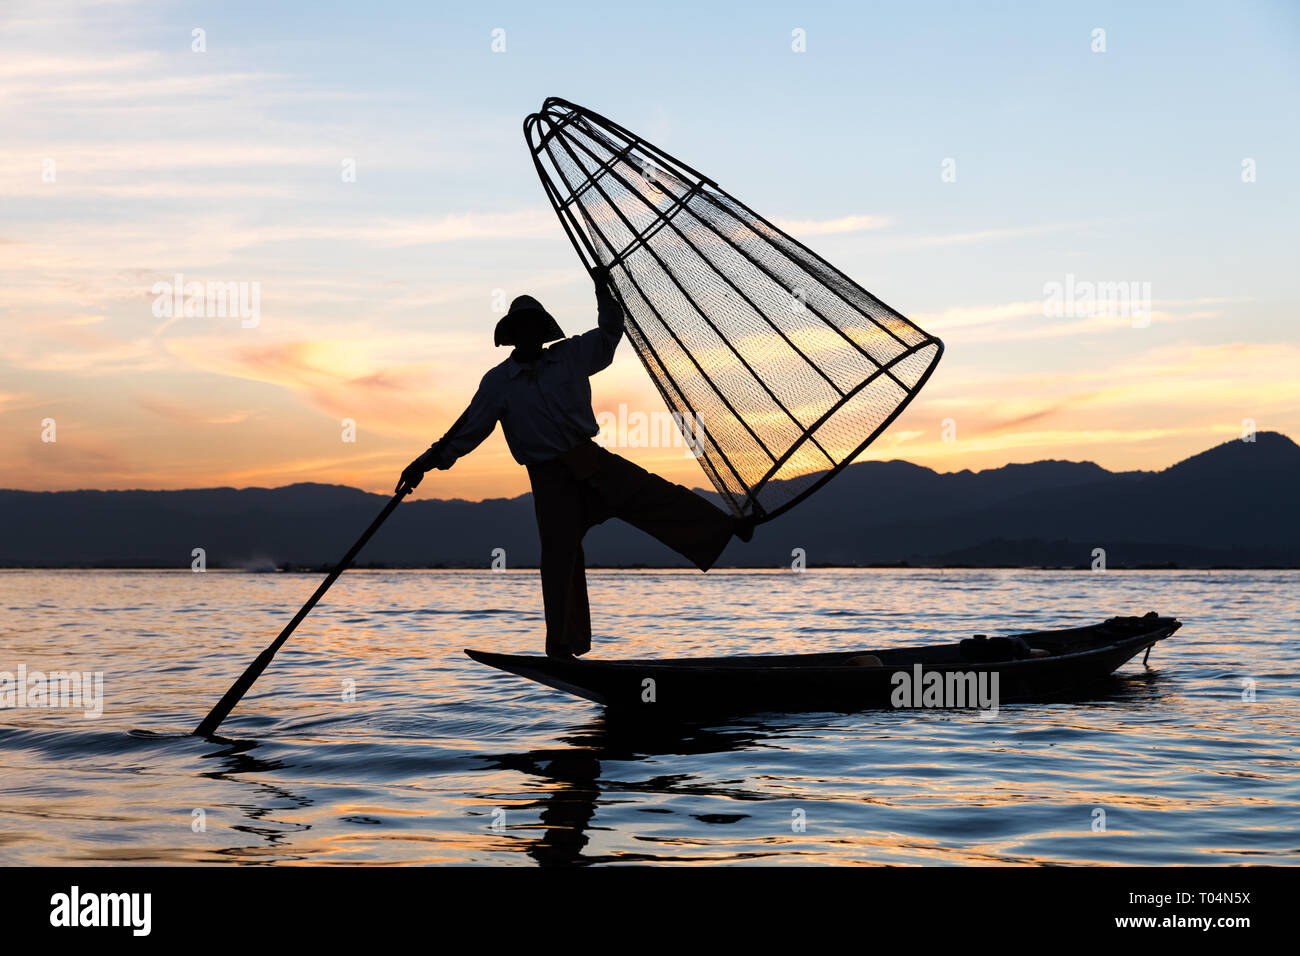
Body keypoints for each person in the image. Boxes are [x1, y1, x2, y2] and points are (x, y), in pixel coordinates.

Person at [398, 267, 754, 658]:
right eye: (523, 329)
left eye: (535, 327)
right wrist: (424, 464)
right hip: (550, 481)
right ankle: (562, 647)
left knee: (654, 495)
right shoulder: (498, 382)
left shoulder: (569, 356)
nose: (530, 334)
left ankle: (725, 528)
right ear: (513, 336)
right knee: (558, 559)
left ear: (543, 331)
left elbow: (610, 334)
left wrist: (603, 290)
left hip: (592, 461)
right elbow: (464, 431)